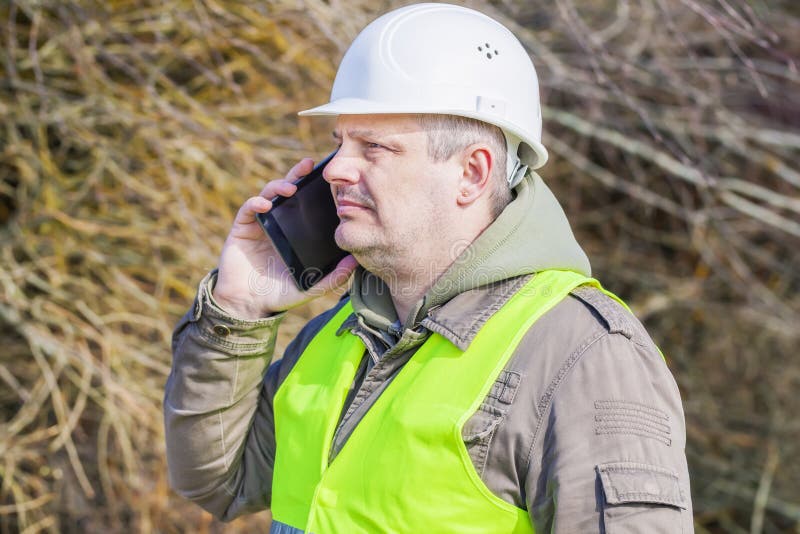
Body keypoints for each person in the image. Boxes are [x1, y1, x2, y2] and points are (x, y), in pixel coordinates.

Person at [164, 3, 693, 532]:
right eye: (340, 143)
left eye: (373, 147)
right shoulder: (340, 333)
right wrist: (237, 311)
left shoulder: (586, 355)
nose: (337, 169)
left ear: (471, 173)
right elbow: (220, 481)